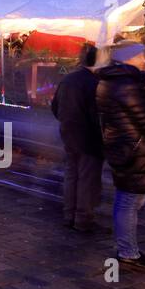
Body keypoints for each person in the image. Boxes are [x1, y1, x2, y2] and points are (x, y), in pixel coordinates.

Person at [95, 40, 145, 274]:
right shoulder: (125, 84)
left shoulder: (113, 80)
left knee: (130, 199)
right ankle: (128, 253)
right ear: (128, 58)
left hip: (124, 147)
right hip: (133, 148)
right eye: (140, 55)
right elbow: (144, 119)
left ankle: (127, 250)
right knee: (128, 200)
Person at [50, 44, 103, 233]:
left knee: (72, 175)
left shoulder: (68, 79)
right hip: (89, 136)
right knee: (87, 178)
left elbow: (55, 106)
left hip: (69, 134)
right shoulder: (95, 82)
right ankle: (83, 217)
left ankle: (69, 214)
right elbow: (97, 114)